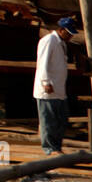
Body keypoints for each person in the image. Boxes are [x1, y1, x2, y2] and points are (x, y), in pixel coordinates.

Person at [35, 16, 78, 155]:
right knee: (48, 121)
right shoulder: (49, 41)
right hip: (49, 88)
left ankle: (56, 147)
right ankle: (49, 149)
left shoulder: (61, 43)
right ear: (60, 30)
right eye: (69, 33)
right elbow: (43, 63)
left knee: (61, 120)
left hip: (59, 88)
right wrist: (46, 82)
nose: (70, 36)